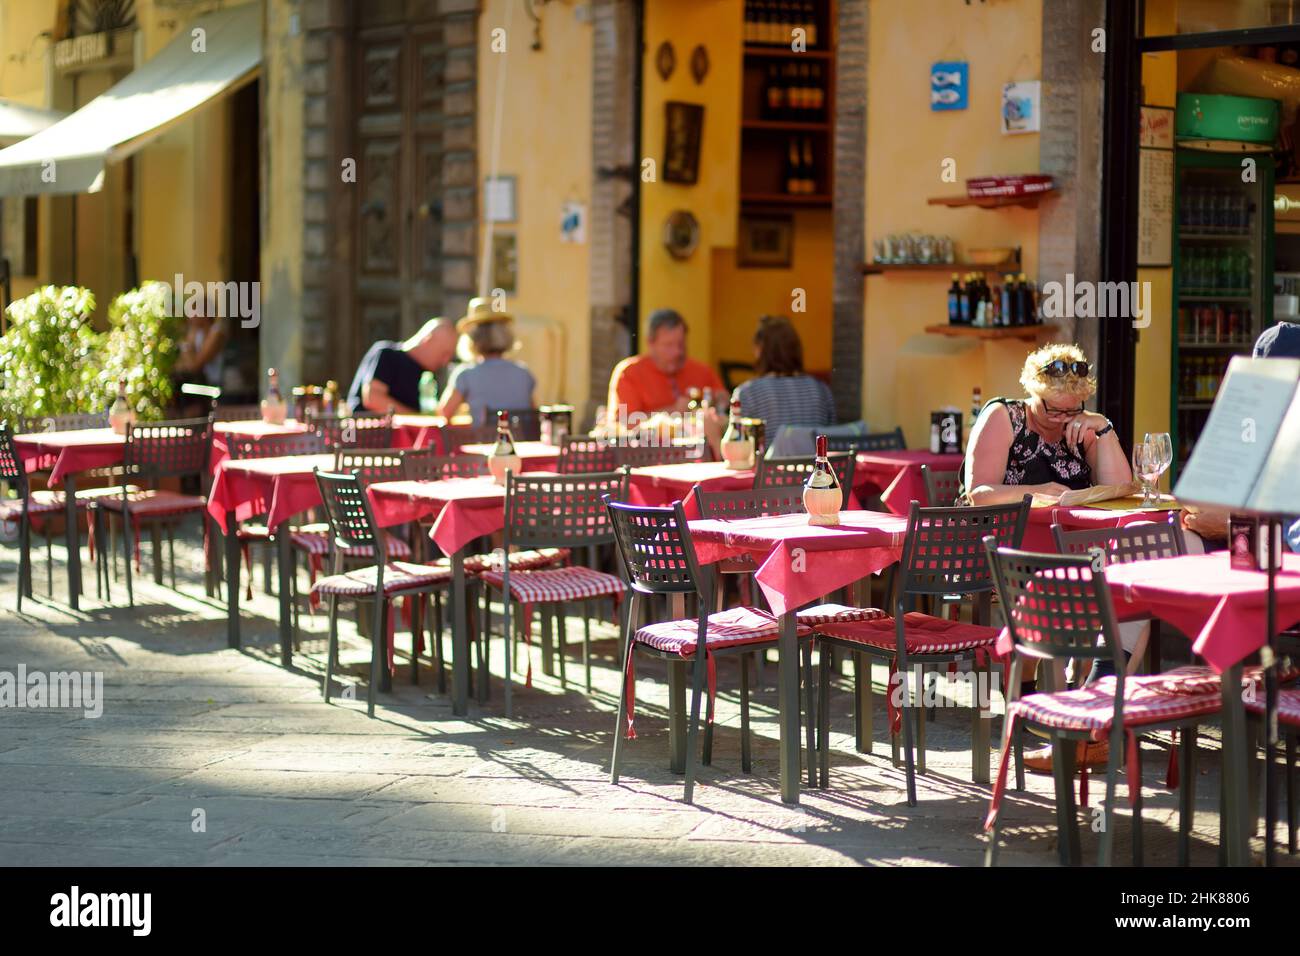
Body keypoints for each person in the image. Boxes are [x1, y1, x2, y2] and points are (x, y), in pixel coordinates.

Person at [965, 343, 1136, 773]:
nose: (1062, 420)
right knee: (1076, 588)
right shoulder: (1005, 417)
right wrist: (1038, 493)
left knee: (1127, 587)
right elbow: (978, 492)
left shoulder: (1082, 427)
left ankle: (1090, 704)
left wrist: (1103, 428)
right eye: (1053, 410)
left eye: (1072, 410)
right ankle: (1057, 707)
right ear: (1031, 390)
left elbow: (1123, 488)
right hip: (1009, 546)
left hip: (1071, 548)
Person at [605, 308, 724, 429]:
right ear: (650, 343)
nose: (677, 352)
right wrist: (673, 412)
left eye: (681, 344)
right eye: (668, 345)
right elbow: (622, 424)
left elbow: (723, 403)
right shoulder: (629, 373)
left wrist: (716, 403)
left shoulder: (701, 371)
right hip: (650, 446)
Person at [437, 297, 536, 427]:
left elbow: (445, 412)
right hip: (522, 444)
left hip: (484, 445)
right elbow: (533, 414)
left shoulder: (466, 374)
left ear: (472, 338)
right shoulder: (523, 372)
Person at [731, 315, 834, 430]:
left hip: (768, 448)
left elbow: (737, 444)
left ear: (760, 349)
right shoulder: (821, 390)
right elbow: (831, 439)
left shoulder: (747, 394)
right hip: (812, 449)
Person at [346, 316, 458, 415]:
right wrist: (417, 419)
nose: (445, 361)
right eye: (444, 354)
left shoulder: (427, 375)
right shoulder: (387, 354)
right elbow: (373, 398)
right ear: (427, 340)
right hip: (369, 436)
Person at [173, 314, 227, 416]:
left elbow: (194, 366)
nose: (190, 317)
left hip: (212, 384)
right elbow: (182, 365)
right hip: (199, 385)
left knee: (181, 383)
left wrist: (186, 347)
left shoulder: (216, 332)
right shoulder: (198, 333)